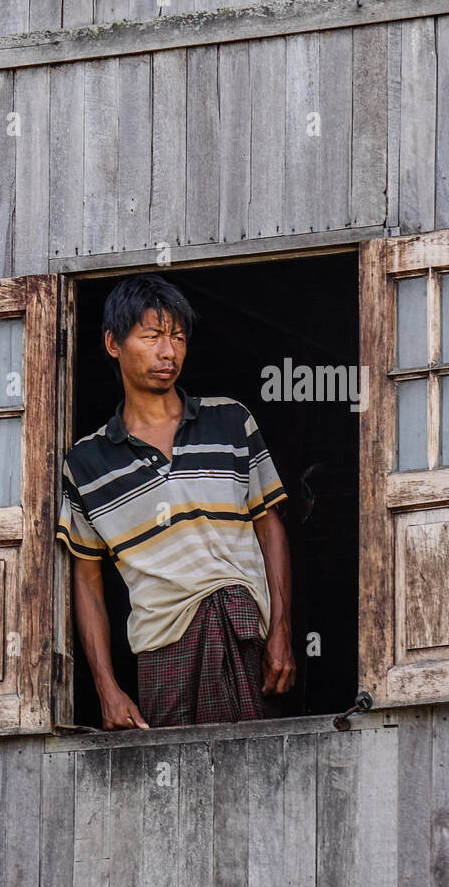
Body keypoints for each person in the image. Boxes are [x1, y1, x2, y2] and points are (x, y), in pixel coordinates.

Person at [55, 274, 295, 729]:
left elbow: (270, 528)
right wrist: (107, 688)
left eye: (178, 338)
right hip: (163, 645)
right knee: (175, 787)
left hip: (244, 627)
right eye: (152, 337)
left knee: (259, 771)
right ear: (113, 343)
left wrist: (281, 629)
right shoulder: (87, 463)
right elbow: (86, 581)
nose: (169, 353)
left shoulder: (230, 421)